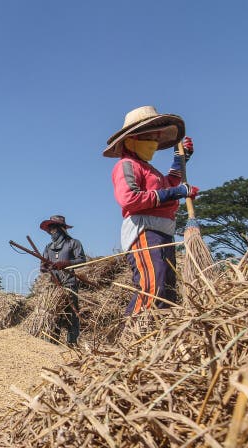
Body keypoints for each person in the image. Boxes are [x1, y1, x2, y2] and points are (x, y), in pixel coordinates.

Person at [104, 106, 199, 315]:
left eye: (156, 138)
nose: (154, 143)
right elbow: (129, 199)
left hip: (165, 231)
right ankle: (131, 340)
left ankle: (161, 341)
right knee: (152, 286)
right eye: (149, 137)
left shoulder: (150, 170)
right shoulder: (127, 165)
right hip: (144, 230)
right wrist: (174, 193)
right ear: (131, 140)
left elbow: (170, 184)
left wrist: (180, 159)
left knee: (167, 291)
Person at [39, 215, 87, 346]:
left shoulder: (73, 243)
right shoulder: (48, 247)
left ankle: (72, 342)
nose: (51, 232)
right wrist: (45, 267)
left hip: (69, 283)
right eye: (50, 229)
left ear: (61, 229)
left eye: (54, 228)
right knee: (55, 313)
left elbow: (82, 260)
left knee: (72, 313)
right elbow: (42, 267)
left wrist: (66, 263)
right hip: (54, 285)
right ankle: (53, 342)